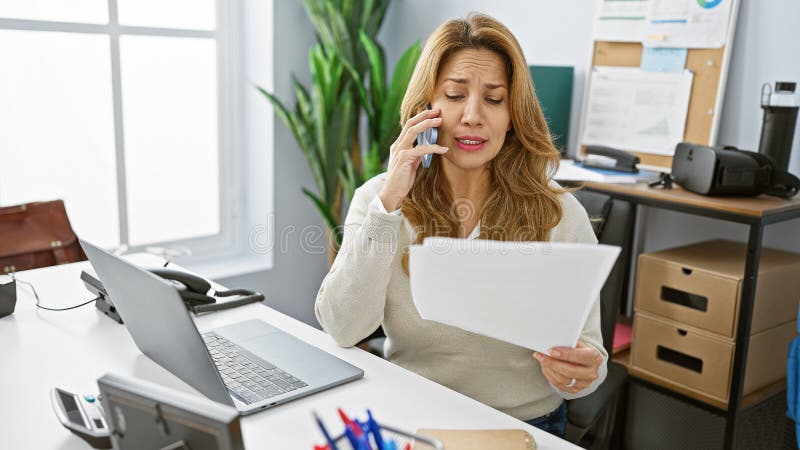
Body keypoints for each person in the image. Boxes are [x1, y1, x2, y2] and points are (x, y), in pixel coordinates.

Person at [314, 13, 606, 438]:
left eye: (493, 99)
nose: (472, 116)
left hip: (523, 425)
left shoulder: (559, 213)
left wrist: (579, 373)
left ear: (513, 114)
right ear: (425, 106)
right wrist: (388, 204)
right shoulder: (378, 199)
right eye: (454, 95)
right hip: (414, 416)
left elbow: (590, 356)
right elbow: (343, 328)